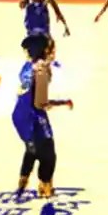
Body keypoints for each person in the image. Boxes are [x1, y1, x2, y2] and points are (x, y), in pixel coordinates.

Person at [13, 33, 73, 200]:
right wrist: (62, 103)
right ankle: (45, 188)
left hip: (20, 113)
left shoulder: (28, 65)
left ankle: (22, 183)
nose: (54, 52)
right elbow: (41, 103)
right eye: (52, 48)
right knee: (48, 156)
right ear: (45, 51)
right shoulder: (42, 69)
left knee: (32, 149)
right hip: (34, 117)